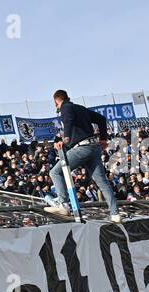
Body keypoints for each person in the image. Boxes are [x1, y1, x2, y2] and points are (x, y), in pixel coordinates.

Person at [45, 90, 121, 222]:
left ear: (56, 101)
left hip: (82, 147)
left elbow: (68, 120)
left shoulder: (65, 107)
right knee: (102, 182)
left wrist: (66, 139)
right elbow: (101, 119)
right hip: (94, 147)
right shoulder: (81, 108)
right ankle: (115, 214)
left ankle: (63, 204)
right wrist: (103, 139)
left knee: (55, 172)